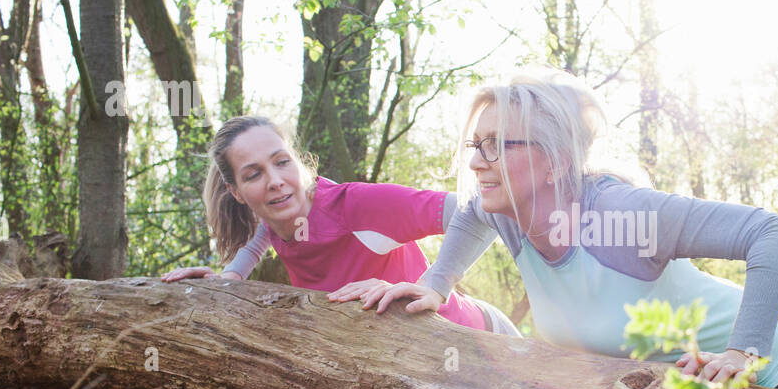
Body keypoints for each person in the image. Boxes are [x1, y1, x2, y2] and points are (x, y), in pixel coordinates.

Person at [365, 71, 778, 388]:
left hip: (745, 376)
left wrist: (744, 351)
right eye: (475, 145)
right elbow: (471, 214)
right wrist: (435, 285)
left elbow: (773, 233)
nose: (477, 161)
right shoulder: (508, 208)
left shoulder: (624, 216)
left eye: (496, 146)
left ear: (555, 161)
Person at [161, 115, 518, 336]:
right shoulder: (275, 221)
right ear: (236, 192)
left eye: (282, 162)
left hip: (482, 340)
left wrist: (432, 285)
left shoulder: (355, 206)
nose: (275, 181)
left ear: (297, 162)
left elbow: (484, 210)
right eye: (254, 174)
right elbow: (255, 244)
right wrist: (222, 283)